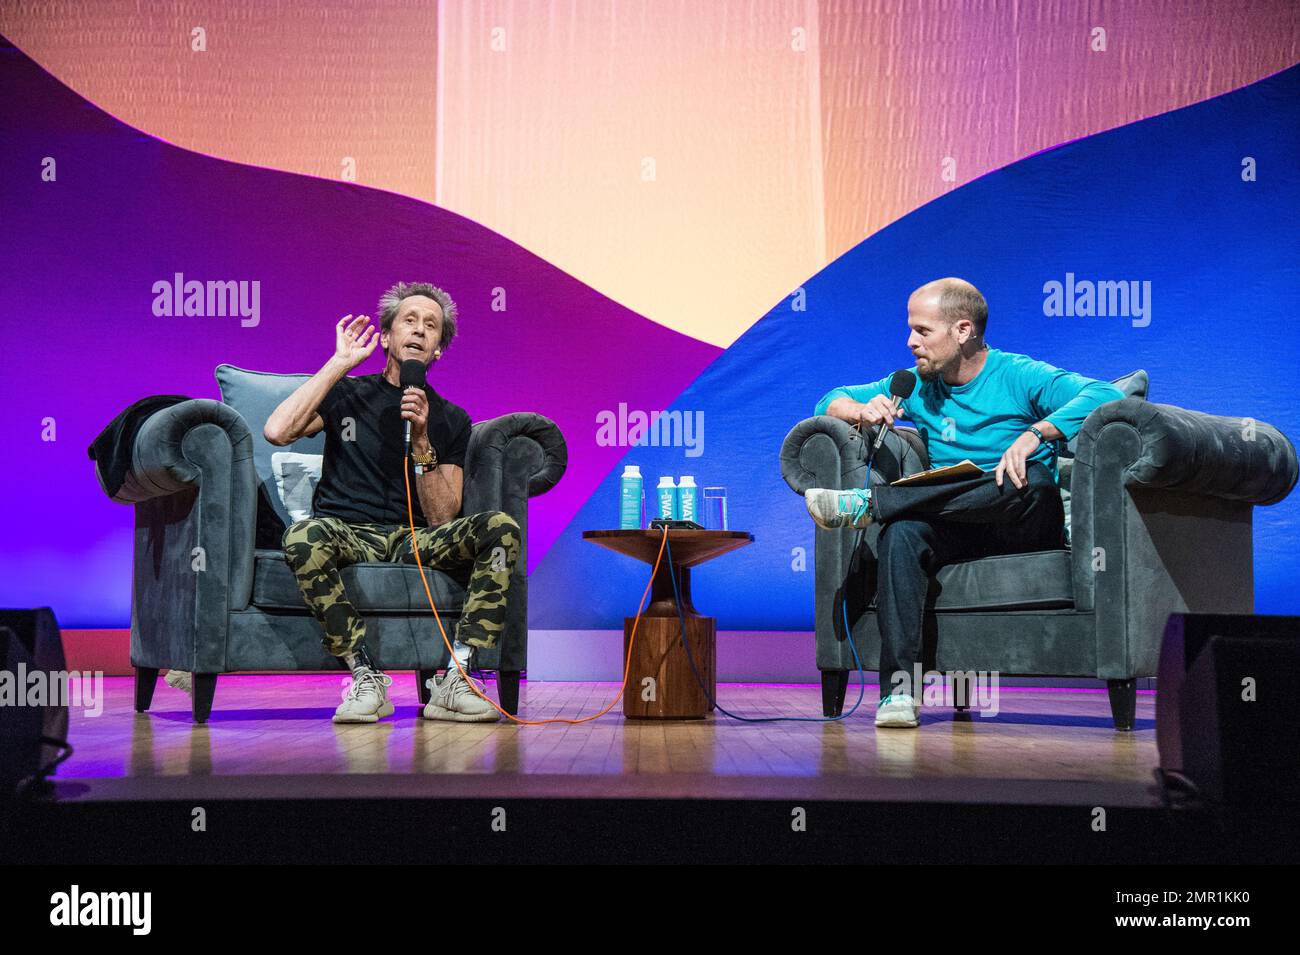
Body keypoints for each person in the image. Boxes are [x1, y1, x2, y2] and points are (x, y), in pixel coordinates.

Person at [802, 277, 1124, 728]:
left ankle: (874, 503)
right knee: (902, 532)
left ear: (962, 330)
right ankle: (899, 694)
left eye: (923, 331)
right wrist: (859, 411)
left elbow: (1107, 395)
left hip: (1022, 514)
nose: (910, 342)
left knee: (1026, 477)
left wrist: (1035, 433)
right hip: (957, 520)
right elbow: (827, 400)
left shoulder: (1017, 374)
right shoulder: (913, 385)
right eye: (910, 330)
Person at [264, 281, 520, 724]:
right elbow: (277, 431)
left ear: (438, 350)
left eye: (431, 326)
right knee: (303, 536)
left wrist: (422, 439)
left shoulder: (451, 418)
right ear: (386, 336)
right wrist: (339, 363)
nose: (419, 331)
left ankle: (457, 677)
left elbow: (443, 516)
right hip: (346, 531)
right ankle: (365, 676)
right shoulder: (348, 393)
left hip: (413, 538)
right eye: (409, 320)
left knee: (500, 527)